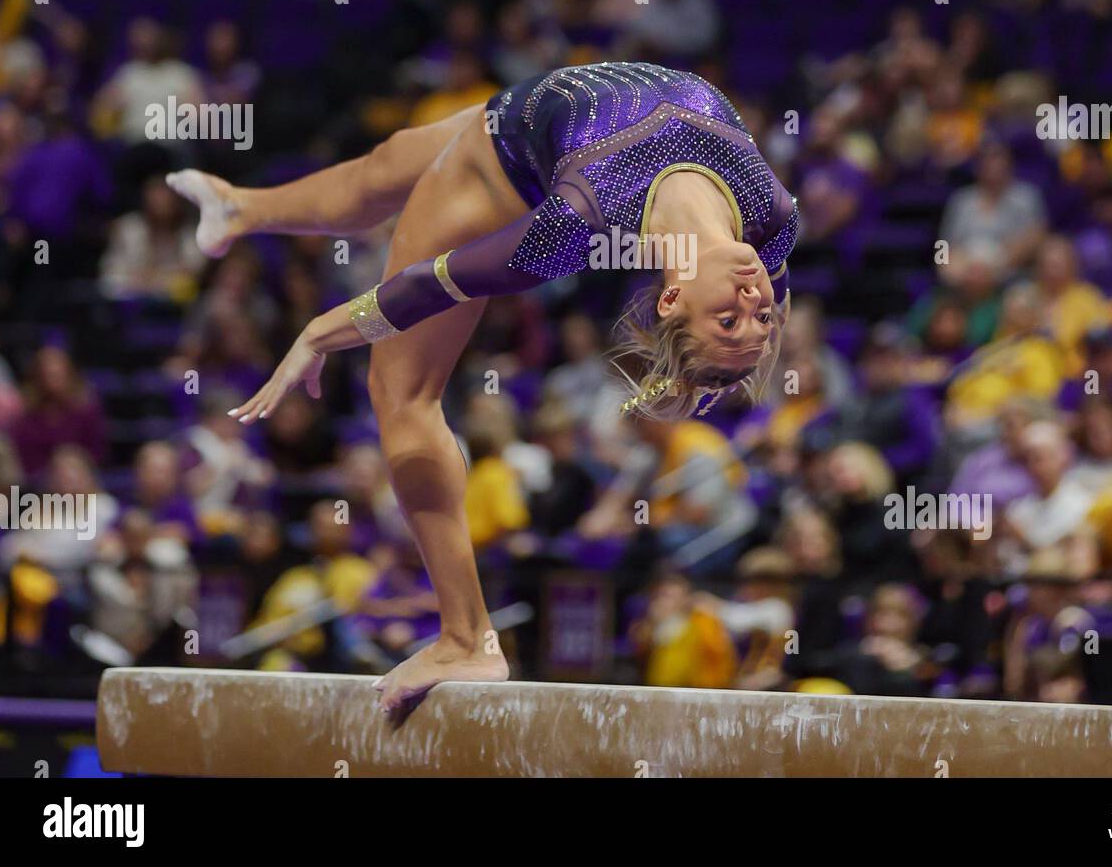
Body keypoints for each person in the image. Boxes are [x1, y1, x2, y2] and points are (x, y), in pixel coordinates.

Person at [167, 62, 797, 710]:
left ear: (670, 298)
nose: (753, 299)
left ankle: (467, 635)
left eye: (728, 317)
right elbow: (749, 319)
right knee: (383, 168)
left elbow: (430, 284)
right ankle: (239, 206)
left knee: (402, 393)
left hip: (500, 166)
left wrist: (319, 332)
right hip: (533, 112)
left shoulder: (577, 222)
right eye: (756, 315)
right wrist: (734, 343)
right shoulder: (773, 222)